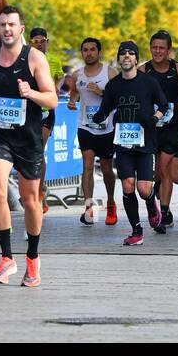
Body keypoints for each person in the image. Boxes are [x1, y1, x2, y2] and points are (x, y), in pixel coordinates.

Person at [0, 5, 58, 287]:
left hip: (29, 138)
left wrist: (30, 92)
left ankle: (32, 259)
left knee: (30, 200)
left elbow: (52, 100)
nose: (7, 29)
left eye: (11, 25)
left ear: (21, 28)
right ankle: (7, 257)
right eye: (2, 25)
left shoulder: (34, 58)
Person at [91, 41, 167, 247]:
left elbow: (163, 104)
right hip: (123, 142)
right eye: (122, 53)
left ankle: (152, 203)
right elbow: (105, 108)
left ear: (135, 58)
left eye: (130, 53)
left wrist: (155, 118)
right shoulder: (113, 85)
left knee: (143, 189)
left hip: (145, 143)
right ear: (119, 58)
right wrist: (98, 117)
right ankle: (136, 230)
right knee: (127, 186)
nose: (126, 56)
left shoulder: (148, 81)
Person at [140, 30, 178, 232]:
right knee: (158, 172)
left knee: (170, 173)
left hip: (173, 127)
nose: (157, 51)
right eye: (154, 47)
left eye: (161, 48)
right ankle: (166, 207)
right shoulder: (143, 70)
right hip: (151, 128)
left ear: (169, 50)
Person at [67, 36, 118, 225]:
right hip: (86, 126)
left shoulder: (110, 72)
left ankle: (111, 203)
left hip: (106, 127)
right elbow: (74, 94)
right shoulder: (77, 75)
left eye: (92, 49)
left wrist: (101, 93)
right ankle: (88, 208)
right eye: (85, 50)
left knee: (106, 169)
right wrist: (72, 102)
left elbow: (117, 98)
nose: (89, 53)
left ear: (99, 52)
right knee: (87, 166)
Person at [28, 26, 59, 214]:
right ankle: (34, 191)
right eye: (35, 41)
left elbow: (59, 81)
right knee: (31, 151)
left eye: (42, 41)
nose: (39, 44)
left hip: (46, 111)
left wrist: (54, 90)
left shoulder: (53, 60)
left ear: (47, 42)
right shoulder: (26, 59)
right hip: (29, 110)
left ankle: (39, 194)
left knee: (39, 150)